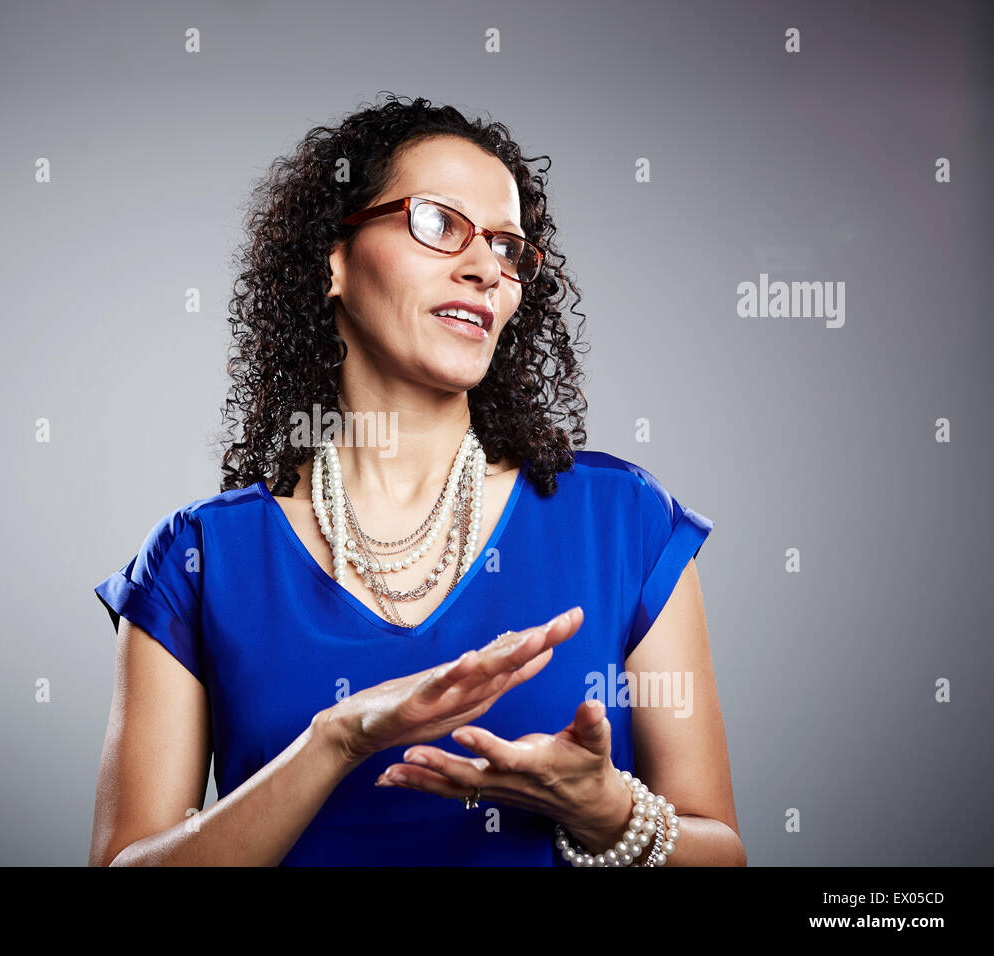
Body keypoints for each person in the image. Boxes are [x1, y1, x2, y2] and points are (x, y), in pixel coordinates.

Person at [88, 93, 745, 867]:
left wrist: (605, 812)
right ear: (333, 259)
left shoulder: (622, 523)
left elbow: (723, 852)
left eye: (508, 248)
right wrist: (334, 741)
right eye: (438, 224)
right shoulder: (202, 557)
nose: (483, 269)